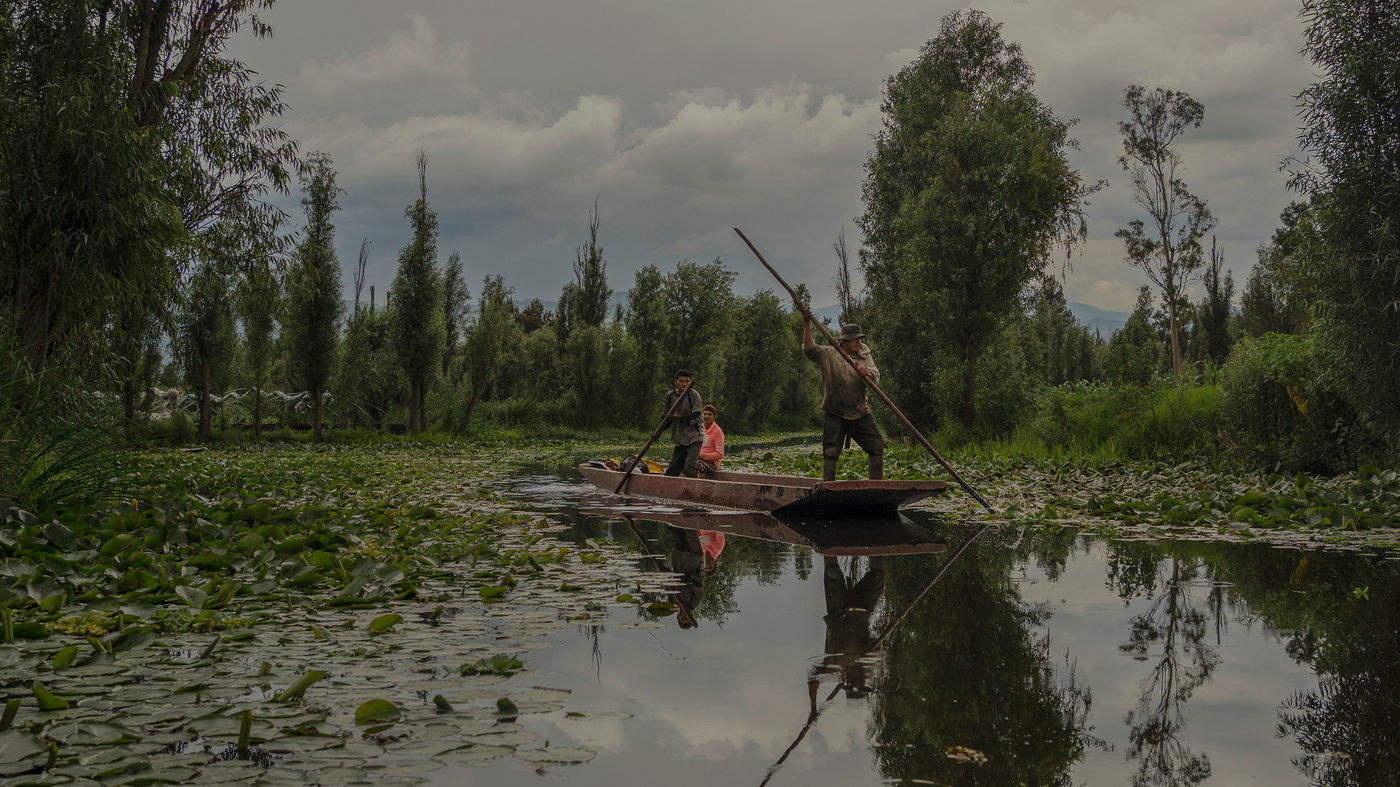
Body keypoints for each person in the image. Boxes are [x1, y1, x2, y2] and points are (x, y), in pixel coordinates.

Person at [799, 316, 884, 481]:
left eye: (859, 339)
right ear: (844, 341)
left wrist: (867, 374)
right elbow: (809, 348)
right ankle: (829, 486)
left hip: (859, 410)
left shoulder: (864, 355)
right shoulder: (829, 354)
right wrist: (807, 323)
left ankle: (876, 486)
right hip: (835, 410)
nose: (858, 342)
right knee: (831, 451)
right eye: (854, 340)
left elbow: (875, 377)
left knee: (876, 445)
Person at [662, 368, 704, 478]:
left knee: (690, 465)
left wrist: (680, 418)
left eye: (687, 381)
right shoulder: (671, 396)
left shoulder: (694, 396)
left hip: (694, 437)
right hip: (680, 439)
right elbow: (666, 417)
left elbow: (697, 416)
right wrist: (658, 431)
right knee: (672, 470)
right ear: (675, 382)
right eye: (681, 381)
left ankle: (695, 490)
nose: (684, 384)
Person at [697, 404, 725, 473]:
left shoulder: (717, 431)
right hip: (698, 459)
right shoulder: (700, 429)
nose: (706, 416)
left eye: (709, 414)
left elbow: (720, 454)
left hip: (711, 463)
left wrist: (702, 455)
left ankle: (696, 482)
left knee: (697, 465)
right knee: (682, 463)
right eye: (705, 414)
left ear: (714, 417)